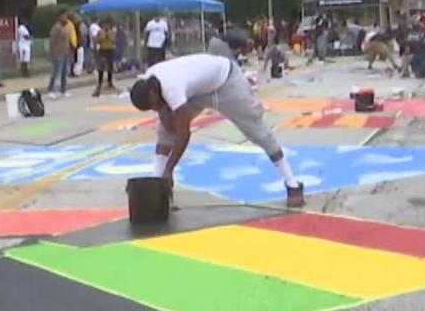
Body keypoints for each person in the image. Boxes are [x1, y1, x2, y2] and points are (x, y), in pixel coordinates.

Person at [129, 54, 305, 208]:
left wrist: (170, 169)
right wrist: (164, 114)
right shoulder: (148, 81)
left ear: (154, 92)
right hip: (196, 91)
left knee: (257, 132)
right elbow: (166, 117)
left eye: (156, 104)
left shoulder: (171, 87)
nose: (157, 108)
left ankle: (292, 182)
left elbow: (184, 133)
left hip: (225, 82)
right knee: (166, 131)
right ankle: (157, 186)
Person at [48, 12, 72, 98]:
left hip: (65, 52)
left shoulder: (65, 27)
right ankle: (51, 90)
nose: (65, 18)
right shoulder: (56, 28)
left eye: (66, 16)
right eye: (64, 16)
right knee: (56, 72)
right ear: (59, 17)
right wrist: (53, 52)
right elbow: (52, 40)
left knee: (64, 73)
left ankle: (63, 90)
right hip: (58, 53)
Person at [93, 18, 117, 96]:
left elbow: (114, 41)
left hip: (110, 49)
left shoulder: (112, 32)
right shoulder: (100, 32)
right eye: (105, 25)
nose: (106, 26)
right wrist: (101, 38)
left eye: (108, 25)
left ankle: (109, 82)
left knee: (110, 66)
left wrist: (110, 37)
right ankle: (100, 82)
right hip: (103, 50)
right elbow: (96, 41)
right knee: (102, 66)